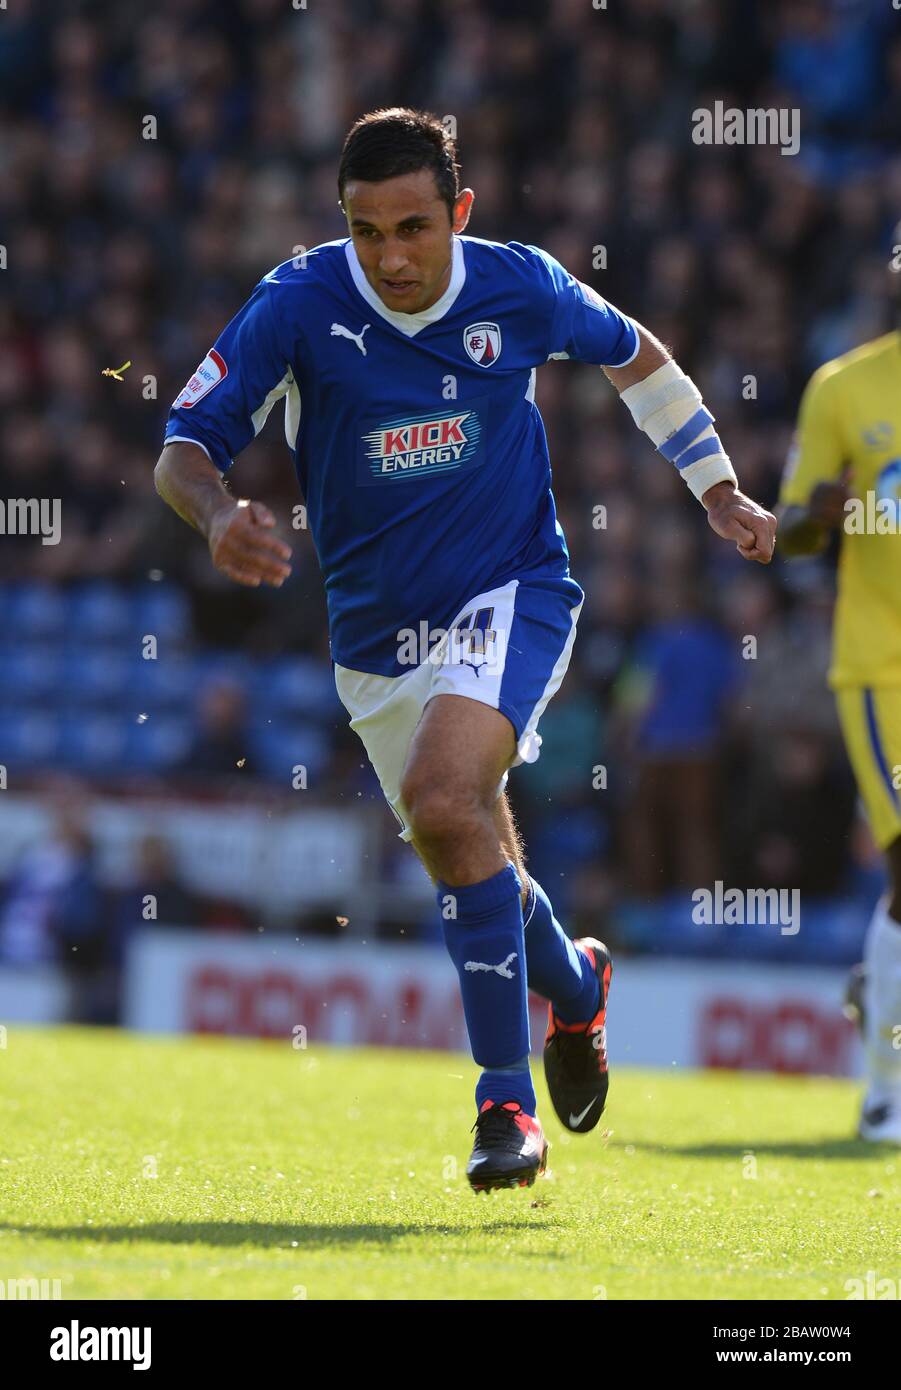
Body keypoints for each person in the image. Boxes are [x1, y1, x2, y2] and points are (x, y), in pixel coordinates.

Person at [155, 108, 776, 1191]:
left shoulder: (517, 285)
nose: (391, 256)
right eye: (367, 231)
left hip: (513, 591)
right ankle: (577, 988)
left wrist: (715, 486)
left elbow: (638, 358)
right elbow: (181, 447)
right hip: (374, 641)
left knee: (447, 801)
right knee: (464, 845)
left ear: (460, 215)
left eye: (413, 228)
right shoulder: (298, 302)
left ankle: (503, 1103)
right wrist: (215, 518)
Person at [778, 229, 901, 1144]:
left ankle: (879, 985)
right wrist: (816, 519)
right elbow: (790, 532)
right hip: (880, 664)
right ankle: (885, 1092)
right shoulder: (844, 387)